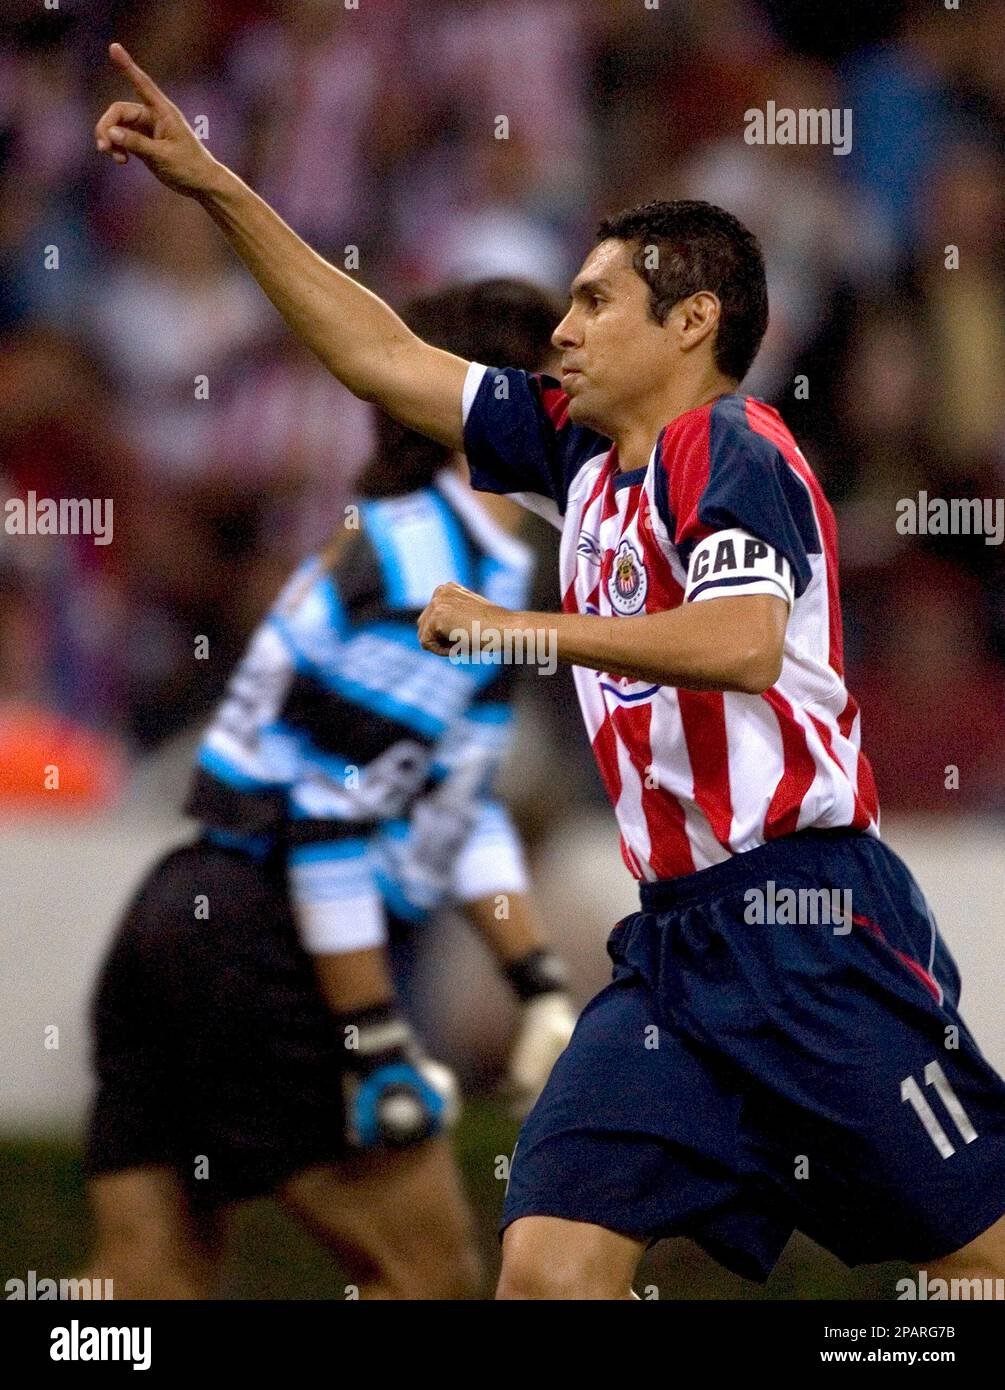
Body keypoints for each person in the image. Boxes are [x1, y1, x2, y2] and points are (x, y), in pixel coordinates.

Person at [93, 44, 1005, 1300]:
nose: (560, 328)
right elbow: (381, 357)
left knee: (984, 1255)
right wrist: (219, 188)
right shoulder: (577, 456)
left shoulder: (728, 447)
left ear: (692, 322)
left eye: (592, 302)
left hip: (812, 930)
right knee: (548, 1269)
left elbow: (741, 642)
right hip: (679, 948)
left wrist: (521, 631)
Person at [83, 277, 576, 1300]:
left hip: (181, 911)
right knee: (428, 1274)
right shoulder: (433, 571)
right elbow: (328, 815)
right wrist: (376, 1037)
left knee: (147, 1283)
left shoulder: (418, 545)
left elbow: (450, 799)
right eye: (560, 386)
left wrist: (532, 975)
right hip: (271, 934)